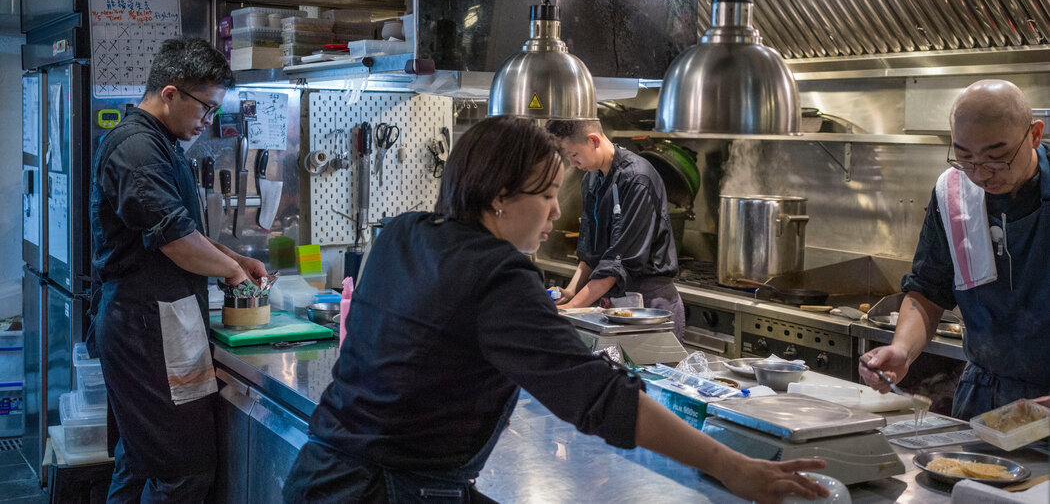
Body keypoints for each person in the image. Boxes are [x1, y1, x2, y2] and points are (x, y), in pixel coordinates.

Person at [283, 116, 827, 504]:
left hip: (320, 473)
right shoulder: (497, 272)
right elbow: (598, 395)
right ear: (500, 197)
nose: (556, 211)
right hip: (388, 490)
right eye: (546, 195)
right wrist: (731, 465)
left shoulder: (404, 232)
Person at [90, 37, 267, 503]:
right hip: (144, 328)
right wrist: (231, 273)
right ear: (170, 93)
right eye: (206, 109)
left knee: (140, 458)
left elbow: (185, 229)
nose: (208, 122)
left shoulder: (163, 143)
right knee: (181, 470)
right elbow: (174, 242)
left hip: (163, 323)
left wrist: (235, 259)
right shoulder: (135, 148)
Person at [859, 79, 1050, 420]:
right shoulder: (953, 193)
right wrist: (902, 349)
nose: (980, 174)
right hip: (981, 401)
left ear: (1035, 135)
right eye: (965, 158)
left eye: (997, 158)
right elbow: (927, 291)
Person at [545, 119, 686, 339]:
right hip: (614, 305)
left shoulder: (638, 179)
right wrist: (571, 292)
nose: (572, 164)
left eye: (574, 155)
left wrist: (571, 307)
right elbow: (591, 251)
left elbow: (618, 262)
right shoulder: (591, 179)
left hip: (649, 305)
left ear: (593, 140)